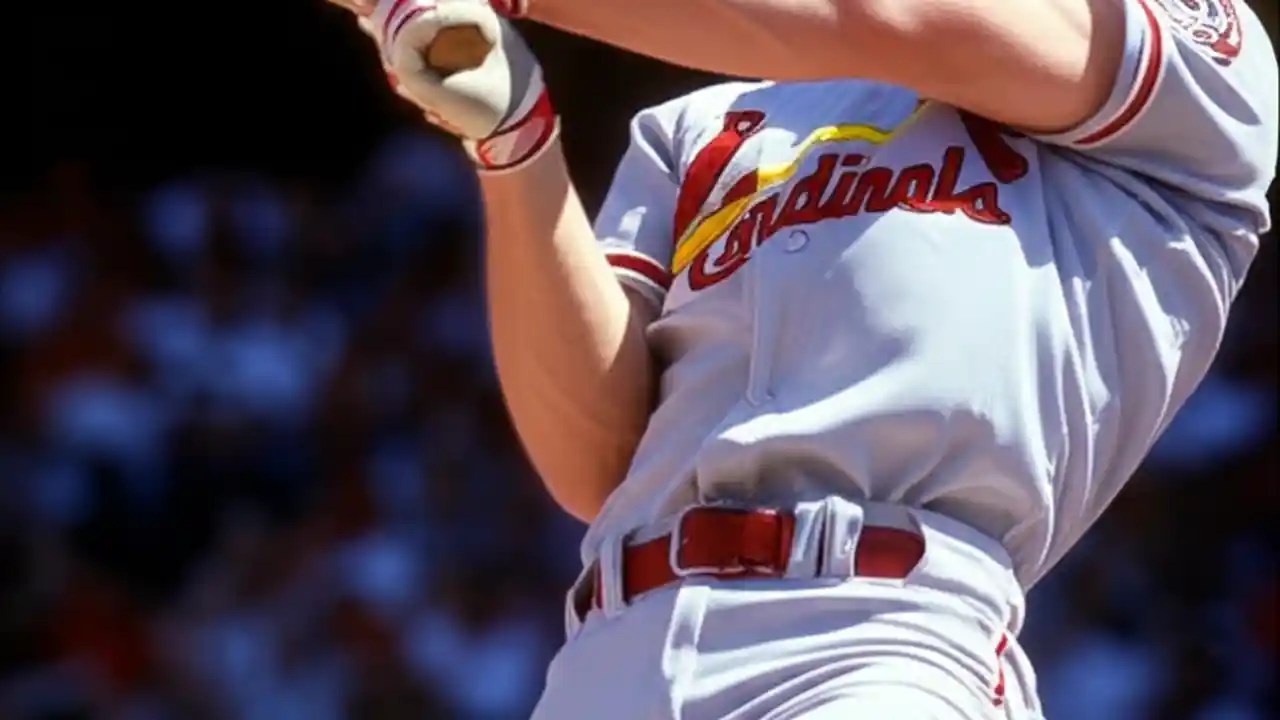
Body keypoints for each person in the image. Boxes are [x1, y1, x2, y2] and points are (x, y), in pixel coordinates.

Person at [327, 0, 1276, 717]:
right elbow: (596, 464)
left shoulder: (1200, 45)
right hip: (606, 653)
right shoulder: (704, 124)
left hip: (876, 638)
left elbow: (893, 20)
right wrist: (515, 141)